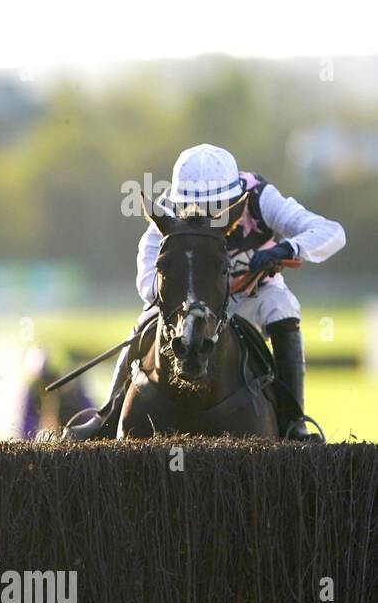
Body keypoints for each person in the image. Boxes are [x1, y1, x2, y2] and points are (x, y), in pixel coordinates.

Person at [65, 143, 345, 441]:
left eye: (215, 209)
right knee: (145, 316)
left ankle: (293, 423)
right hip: (194, 300)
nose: (204, 217)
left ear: (234, 198)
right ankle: (107, 415)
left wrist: (286, 247)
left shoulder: (261, 196)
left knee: (282, 305)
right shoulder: (170, 206)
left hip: (253, 296)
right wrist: (176, 298)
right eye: (197, 210)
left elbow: (332, 232)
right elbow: (147, 274)